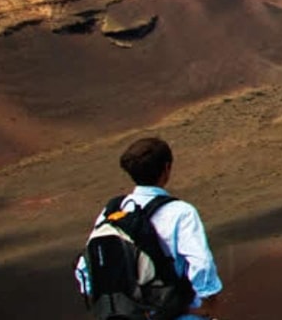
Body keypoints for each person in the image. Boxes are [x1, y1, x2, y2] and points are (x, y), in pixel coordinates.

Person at [75, 137, 223, 319]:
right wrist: (210, 301)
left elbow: (85, 267)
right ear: (166, 169)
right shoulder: (181, 212)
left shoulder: (112, 210)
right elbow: (201, 265)